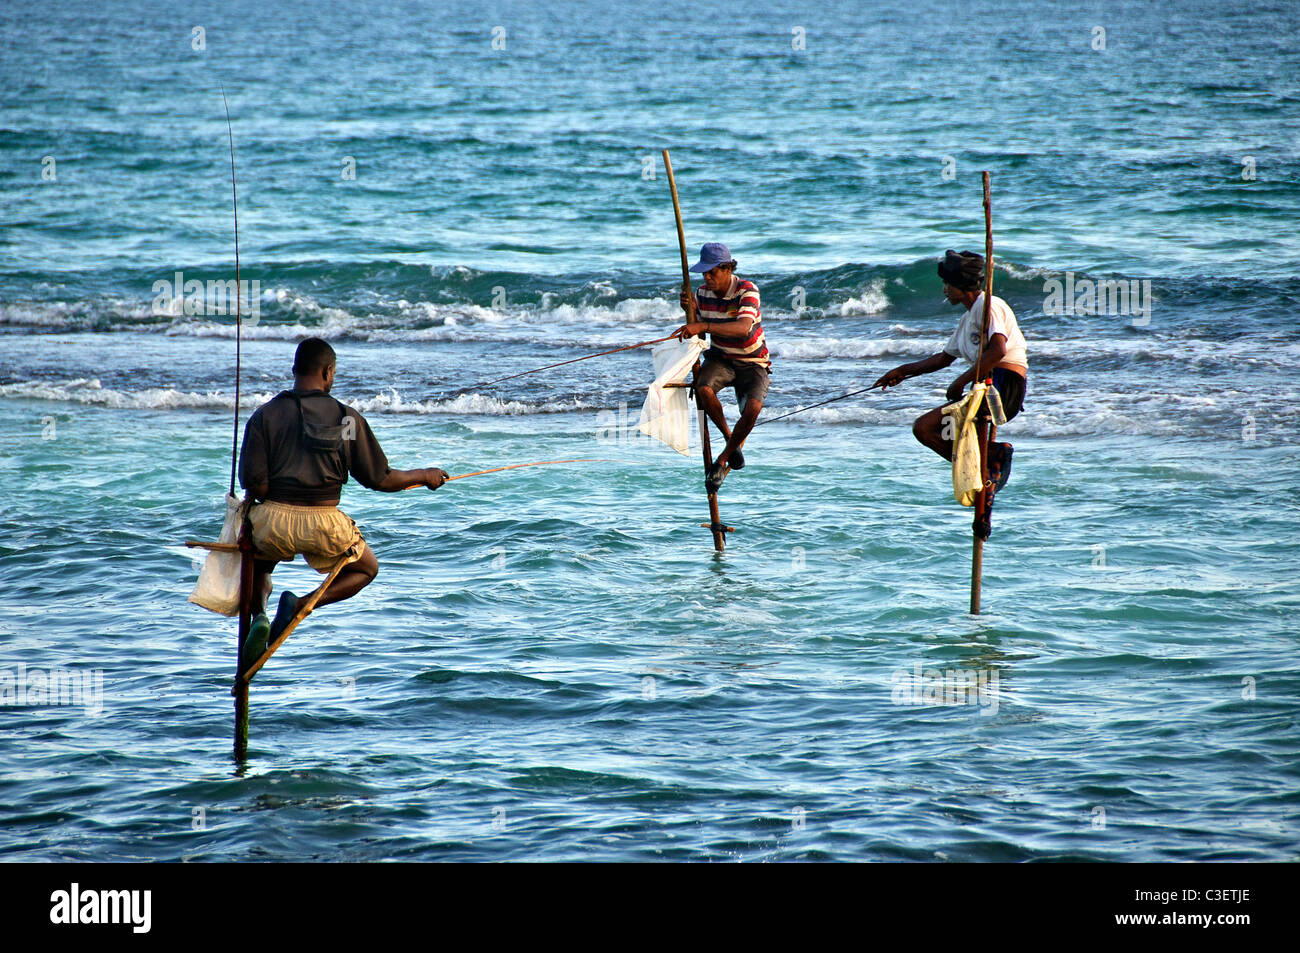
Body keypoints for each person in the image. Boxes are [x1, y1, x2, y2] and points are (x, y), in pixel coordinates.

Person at [237, 337, 448, 667]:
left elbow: (255, 484)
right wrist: (425, 475)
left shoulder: (265, 416)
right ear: (329, 373)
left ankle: (260, 615)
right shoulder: (347, 419)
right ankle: (300, 605)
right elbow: (380, 479)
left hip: (273, 521)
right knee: (367, 568)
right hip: (325, 523)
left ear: (294, 370)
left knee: (259, 565)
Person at [872, 250, 1027, 491]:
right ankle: (984, 463)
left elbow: (997, 350)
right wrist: (902, 371)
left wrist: (960, 382)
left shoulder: (990, 305)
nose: (944, 289)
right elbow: (943, 359)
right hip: (984, 386)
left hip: (1005, 385)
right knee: (928, 430)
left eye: (947, 283)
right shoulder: (968, 319)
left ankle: (989, 459)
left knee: (925, 427)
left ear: (961, 284)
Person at [671, 242, 770, 493]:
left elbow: (741, 328)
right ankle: (730, 438)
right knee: (703, 389)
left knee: (754, 407)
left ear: (727, 268)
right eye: (704, 273)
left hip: (752, 361)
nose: (706, 277)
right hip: (721, 358)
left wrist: (702, 326)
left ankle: (723, 458)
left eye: (711, 272)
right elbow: (703, 334)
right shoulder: (703, 293)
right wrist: (691, 313)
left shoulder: (747, 290)